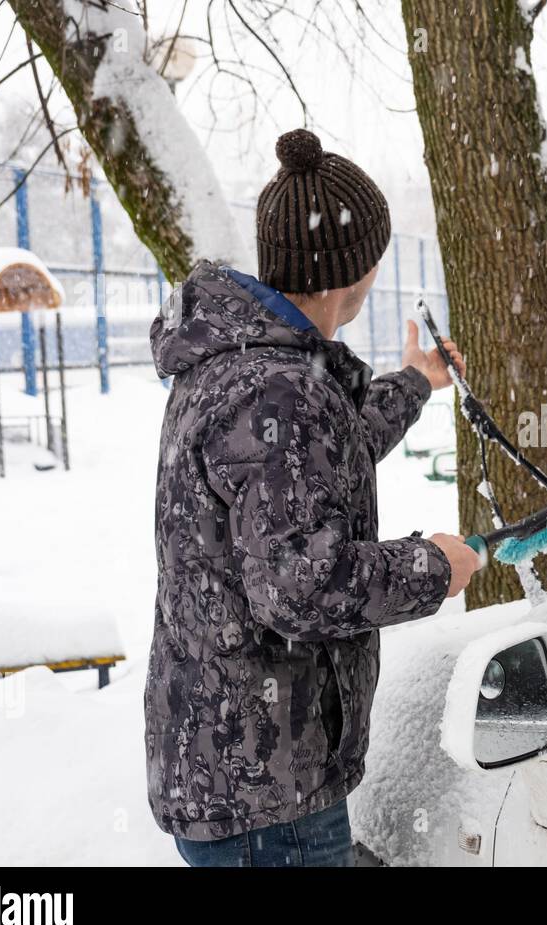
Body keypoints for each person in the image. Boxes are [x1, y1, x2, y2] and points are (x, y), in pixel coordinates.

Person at [144, 128, 479, 866]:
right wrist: (432, 567)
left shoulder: (237, 363)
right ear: (353, 273)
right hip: (267, 790)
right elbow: (301, 588)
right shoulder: (277, 385)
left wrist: (416, 382)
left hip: (230, 767)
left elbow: (316, 461)